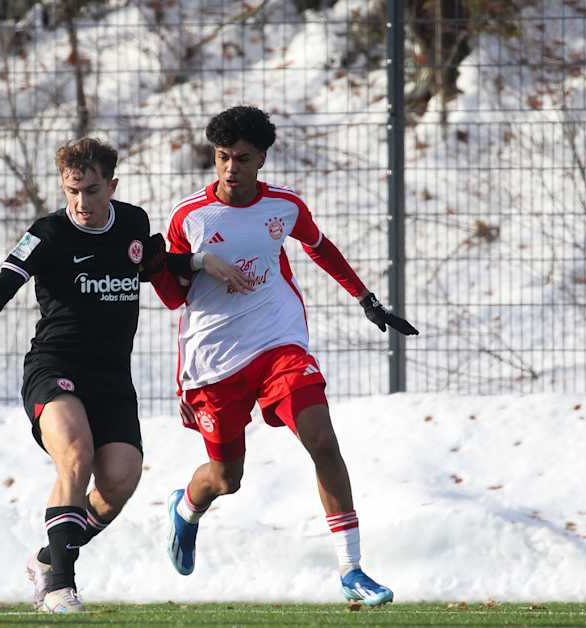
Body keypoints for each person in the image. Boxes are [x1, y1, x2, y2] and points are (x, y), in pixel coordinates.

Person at [147, 106, 418, 607]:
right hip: (214, 359)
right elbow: (171, 294)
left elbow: (319, 246)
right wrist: (195, 264)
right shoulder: (191, 216)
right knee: (227, 477)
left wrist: (365, 299)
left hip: (279, 343)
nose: (231, 168)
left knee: (322, 439)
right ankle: (186, 507)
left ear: (262, 159)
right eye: (223, 157)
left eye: (242, 158)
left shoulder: (285, 207)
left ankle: (351, 570)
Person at [0, 137, 244, 614]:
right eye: (72, 191)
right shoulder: (49, 232)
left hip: (112, 378)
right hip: (54, 368)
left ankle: (47, 558)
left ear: (111, 186)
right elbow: (10, 275)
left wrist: (200, 261)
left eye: (91, 191)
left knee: (119, 481)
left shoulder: (133, 223)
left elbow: (152, 266)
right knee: (75, 454)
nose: (81, 203)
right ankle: (59, 588)